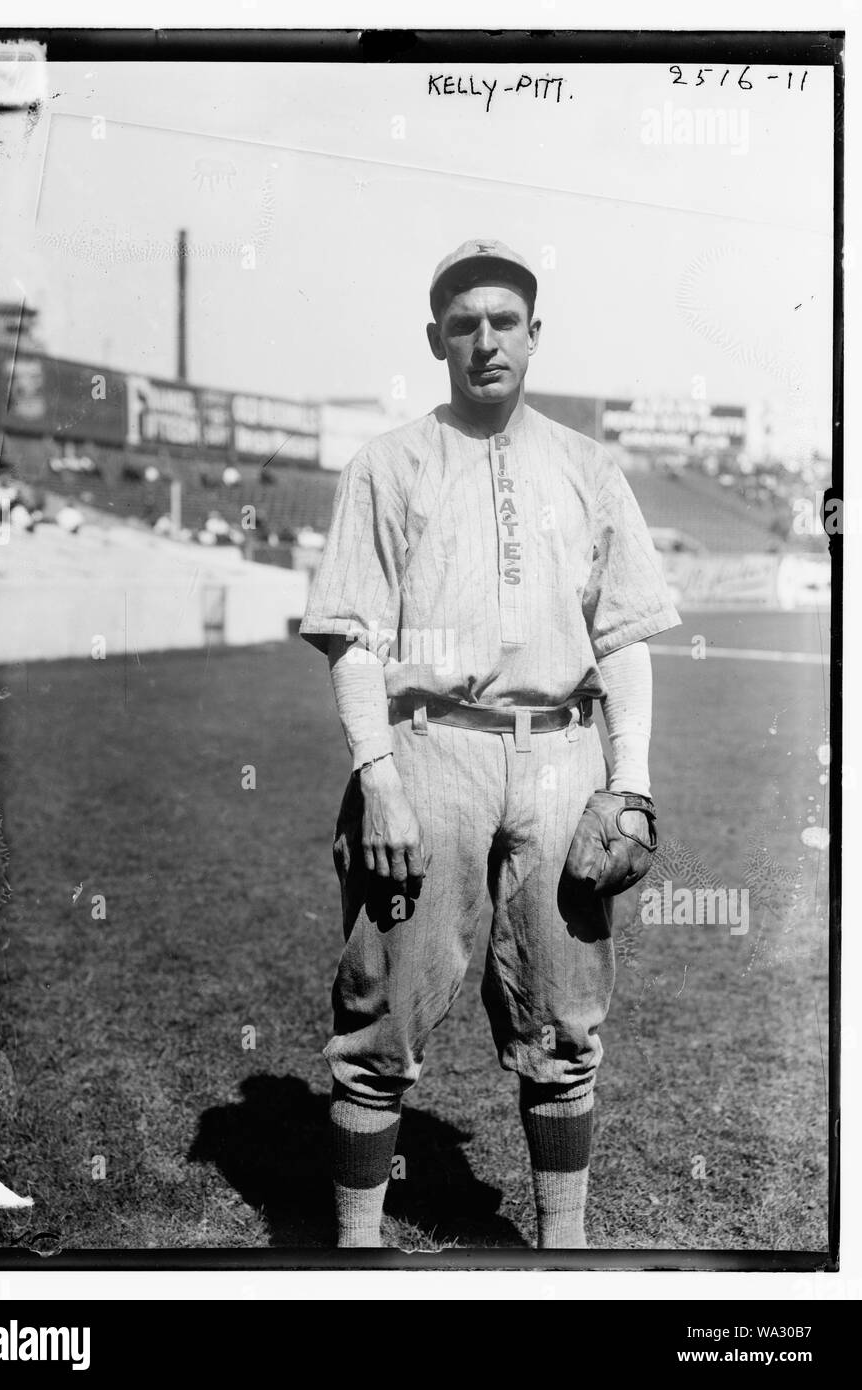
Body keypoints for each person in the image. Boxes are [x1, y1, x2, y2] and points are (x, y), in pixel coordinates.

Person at [300, 239, 682, 1249]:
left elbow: (624, 639)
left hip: (562, 758)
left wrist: (629, 782)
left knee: (565, 1023)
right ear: (435, 338)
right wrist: (375, 777)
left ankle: (562, 1248)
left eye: (503, 321)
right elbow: (350, 636)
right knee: (382, 1017)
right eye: (462, 322)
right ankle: (354, 1247)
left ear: (532, 335)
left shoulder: (587, 467)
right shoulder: (386, 463)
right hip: (430, 755)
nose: (483, 340)